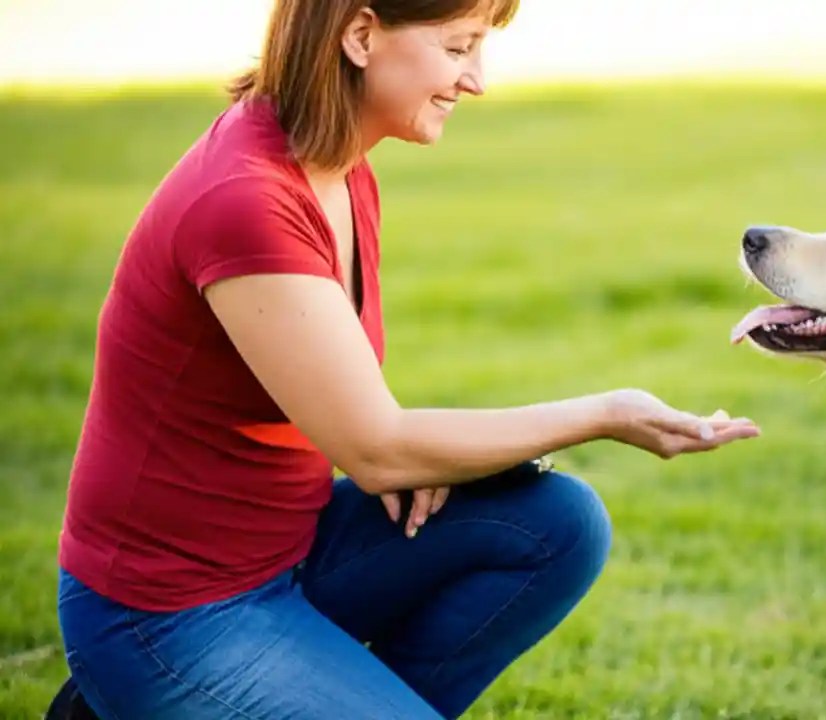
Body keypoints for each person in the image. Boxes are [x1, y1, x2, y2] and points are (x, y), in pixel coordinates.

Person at [51, 1, 760, 718]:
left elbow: (361, 422)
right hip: (164, 614)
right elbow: (377, 450)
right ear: (361, 36)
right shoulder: (246, 199)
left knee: (558, 524)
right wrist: (605, 414)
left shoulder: (339, 169)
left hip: (284, 557)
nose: (476, 80)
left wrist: (412, 457)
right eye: (459, 48)